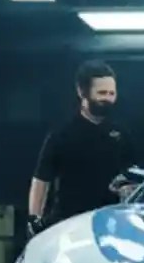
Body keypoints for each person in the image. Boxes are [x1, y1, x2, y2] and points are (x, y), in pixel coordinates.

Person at [27, 60, 137, 237]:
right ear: (82, 92)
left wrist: (127, 189)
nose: (107, 99)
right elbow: (41, 179)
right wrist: (34, 218)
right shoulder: (61, 135)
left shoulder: (122, 134)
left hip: (110, 225)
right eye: (101, 93)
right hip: (67, 223)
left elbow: (133, 176)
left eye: (111, 93)